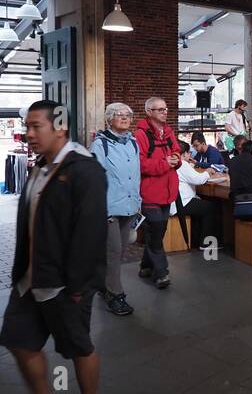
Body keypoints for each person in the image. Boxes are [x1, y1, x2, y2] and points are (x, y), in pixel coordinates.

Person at [0, 100, 107, 394]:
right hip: (30, 279)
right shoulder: (40, 168)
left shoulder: (84, 170)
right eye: (26, 127)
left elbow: (90, 233)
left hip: (65, 284)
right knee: (18, 340)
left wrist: (77, 287)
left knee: (78, 347)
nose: (28, 134)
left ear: (60, 126)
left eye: (35, 127)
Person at [91, 102, 141, 316]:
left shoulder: (133, 143)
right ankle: (115, 294)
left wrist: (137, 202)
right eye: (118, 114)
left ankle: (103, 284)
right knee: (113, 252)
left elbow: (135, 175)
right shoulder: (100, 145)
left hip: (129, 206)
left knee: (119, 252)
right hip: (109, 208)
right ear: (108, 119)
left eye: (127, 115)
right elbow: (94, 180)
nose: (124, 117)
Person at [135, 96, 182, 290]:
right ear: (149, 112)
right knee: (156, 231)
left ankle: (145, 266)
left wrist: (176, 159)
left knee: (158, 232)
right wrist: (165, 163)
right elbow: (140, 164)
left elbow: (177, 151)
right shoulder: (140, 135)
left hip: (168, 191)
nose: (165, 112)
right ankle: (161, 273)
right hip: (150, 193)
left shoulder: (169, 132)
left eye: (165, 108)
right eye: (160, 109)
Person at [174, 152, 223, 250]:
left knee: (203, 205)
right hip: (182, 202)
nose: (190, 156)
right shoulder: (182, 164)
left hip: (178, 201)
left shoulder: (174, 163)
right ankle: (206, 243)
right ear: (184, 154)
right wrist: (207, 172)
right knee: (210, 207)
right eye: (189, 153)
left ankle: (197, 241)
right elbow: (197, 179)